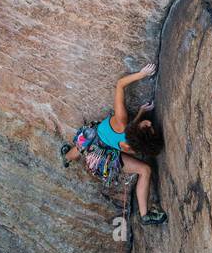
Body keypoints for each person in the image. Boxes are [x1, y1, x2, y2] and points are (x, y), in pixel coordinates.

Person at [60, 63, 167, 226]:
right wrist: (140, 113)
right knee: (145, 170)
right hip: (104, 158)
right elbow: (129, 135)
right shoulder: (132, 146)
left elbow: (120, 84)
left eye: (147, 127)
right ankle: (145, 215)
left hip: (93, 142)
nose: (149, 123)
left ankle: (66, 158)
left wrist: (142, 74)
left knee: (85, 143)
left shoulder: (121, 120)